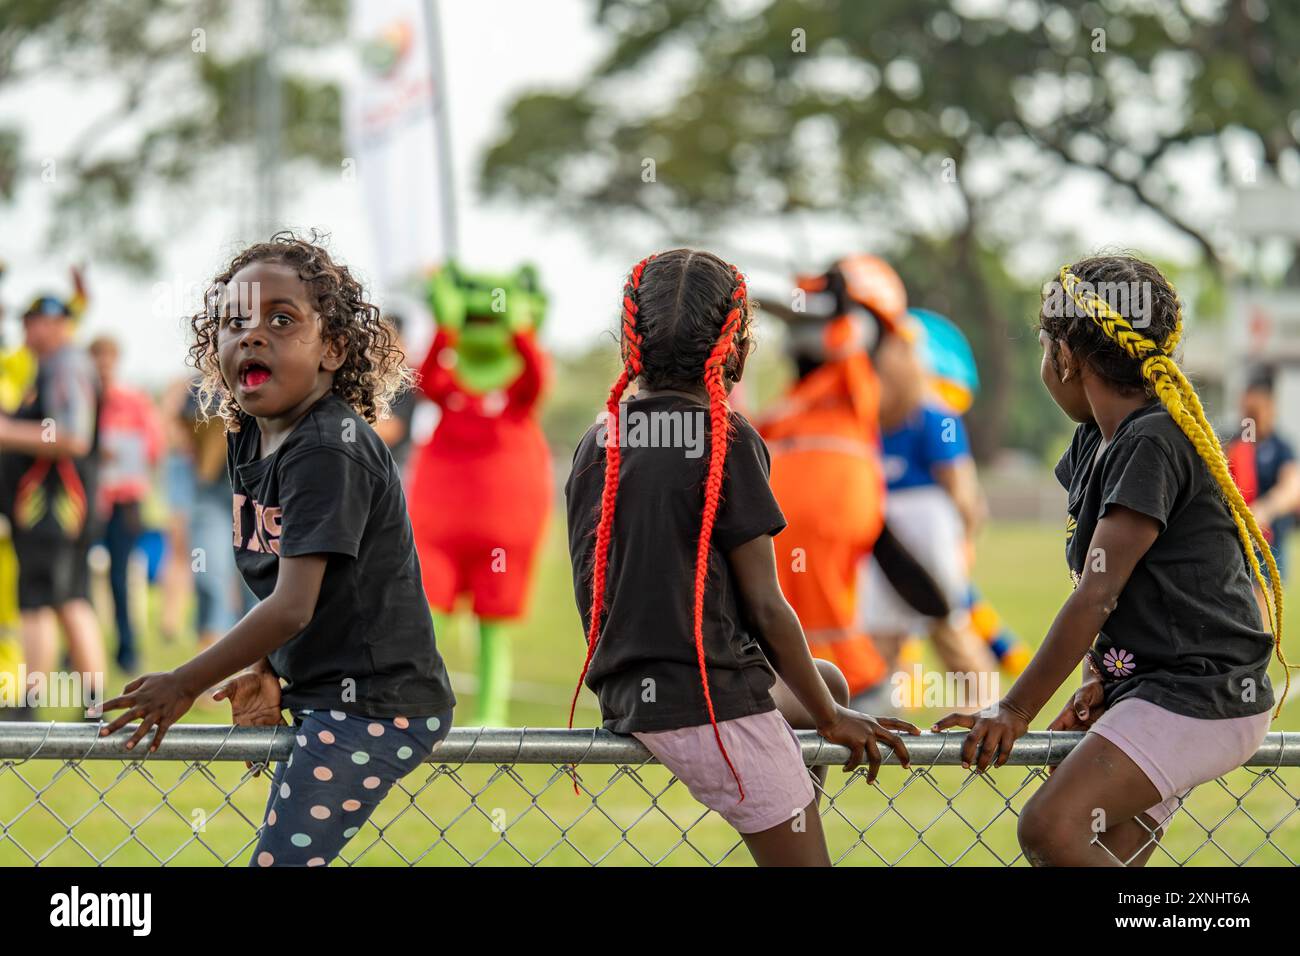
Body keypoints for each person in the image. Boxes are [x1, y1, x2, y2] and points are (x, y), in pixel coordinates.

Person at [98, 233, 456, 867]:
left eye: (282, 320)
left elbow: (293, 605)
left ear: (333, 349)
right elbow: (281, 579)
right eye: (234, 323)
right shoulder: (248, 437)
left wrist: (183, 684)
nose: (252, 335)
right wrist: (268, 672)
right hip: (322, 693)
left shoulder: (328, 446)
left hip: (378, 704)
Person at [565, 249, 918, 867]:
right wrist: (836, 723)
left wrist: (829, 706)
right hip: (706, 700)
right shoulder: (729, 436)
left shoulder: (602, 437)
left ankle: (782, 804)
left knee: (826, 682)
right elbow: (765, 605)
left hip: (626, 692)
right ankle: (782, 813)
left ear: (631, 341)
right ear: (738, 347)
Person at [935, 254, 1286, 867]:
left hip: (1201, 693)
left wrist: (1014, 710)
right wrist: (1102, 678)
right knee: (1098, 851)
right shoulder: (1097, 441)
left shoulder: (1153, 438)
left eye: (1046, 345)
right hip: (1157, 689)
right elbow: (1125, 593)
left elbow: (1096, 593)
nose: (1045, 361)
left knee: (1049, 828)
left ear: (1068, 356)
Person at [757, 255, 924, 712]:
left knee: (820, 607)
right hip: (782, 529)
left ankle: (851, 688)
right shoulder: (792, 405)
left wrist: (841, 307)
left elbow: (850, 340)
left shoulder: (851, 388)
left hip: (830, 519)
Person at [407, 264, 551, 727]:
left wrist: (521, 332)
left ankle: (491, 714)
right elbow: (426, 378)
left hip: (503, 533)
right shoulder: (449, 391)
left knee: (494, 628)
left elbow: (536, 377)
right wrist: (445, 328)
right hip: (440, 530)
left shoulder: (515, 398)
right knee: (428, 620)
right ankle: (416, 703)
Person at [0, 290, 104, 716]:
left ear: (58, 325)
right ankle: (95, 706)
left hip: (51, 507)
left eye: (34, 321)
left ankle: (28, 705)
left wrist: (5, 432)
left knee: (39, 603)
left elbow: (71, 436)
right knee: (70, 599)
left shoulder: (64, 365)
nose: (27, 330)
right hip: (62, 509)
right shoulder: (58, 365)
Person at [89, 335, 163, 674]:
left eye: (107, 359)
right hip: (87, 500)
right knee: (79, 579)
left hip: (125, 501)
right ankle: (80, 648)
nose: (102, 367)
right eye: (97, 359)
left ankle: (126, 649)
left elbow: (153, 446)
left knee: (121, 578)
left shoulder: (133, 401)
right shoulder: (82, 399)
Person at [1227, 368, 1300, 584]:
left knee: (1262, 612)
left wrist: (1264, 509)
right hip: (1233, 545)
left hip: (1268, 546)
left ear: (1269, 407)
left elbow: (1293, 487)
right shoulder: (1232, 442)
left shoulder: (1280, 446)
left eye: (1256, 409)